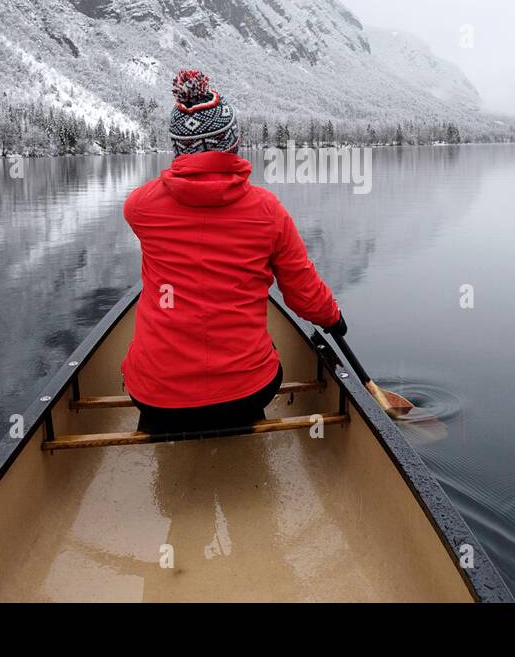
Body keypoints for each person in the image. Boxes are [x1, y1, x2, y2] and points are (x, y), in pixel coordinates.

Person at [120, 69, 347, 435]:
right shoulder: (267, 211)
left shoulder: (140, 208)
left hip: (157, 394)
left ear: (178, 148)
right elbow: (303, 293)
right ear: (233, 142)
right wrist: (333, 319)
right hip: (247, 391)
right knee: (255, 370)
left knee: (153, 381)